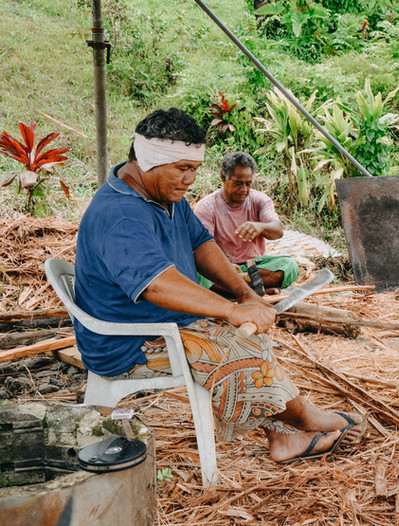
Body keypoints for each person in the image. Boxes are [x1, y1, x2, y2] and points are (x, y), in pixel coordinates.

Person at [74, 108, 364, 463]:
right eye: (182, 168)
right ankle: (304, 419)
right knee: (232, 348)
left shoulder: (165, 195)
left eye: (194, 169)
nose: (190, 179)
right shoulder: (120, 214)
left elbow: (201, 245)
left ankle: (285, 437)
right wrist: (230, 309)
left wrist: (246, 293)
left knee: (244, 337)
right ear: (147, 161)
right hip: (128, 341)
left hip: (162, 321)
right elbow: (156, 286)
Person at [194, 151, 299, 295]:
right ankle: (254, 289)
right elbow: (203, 249)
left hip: (254, 267)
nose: (244, 189)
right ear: (223, 178)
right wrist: (226, 266)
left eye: (248, 184)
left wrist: (261, 226)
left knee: (290, 265)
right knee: (197, 270)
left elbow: (278, 231)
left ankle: (238, 289)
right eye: (238, 184)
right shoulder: (206, 206)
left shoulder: (260, 200)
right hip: (221, 267)